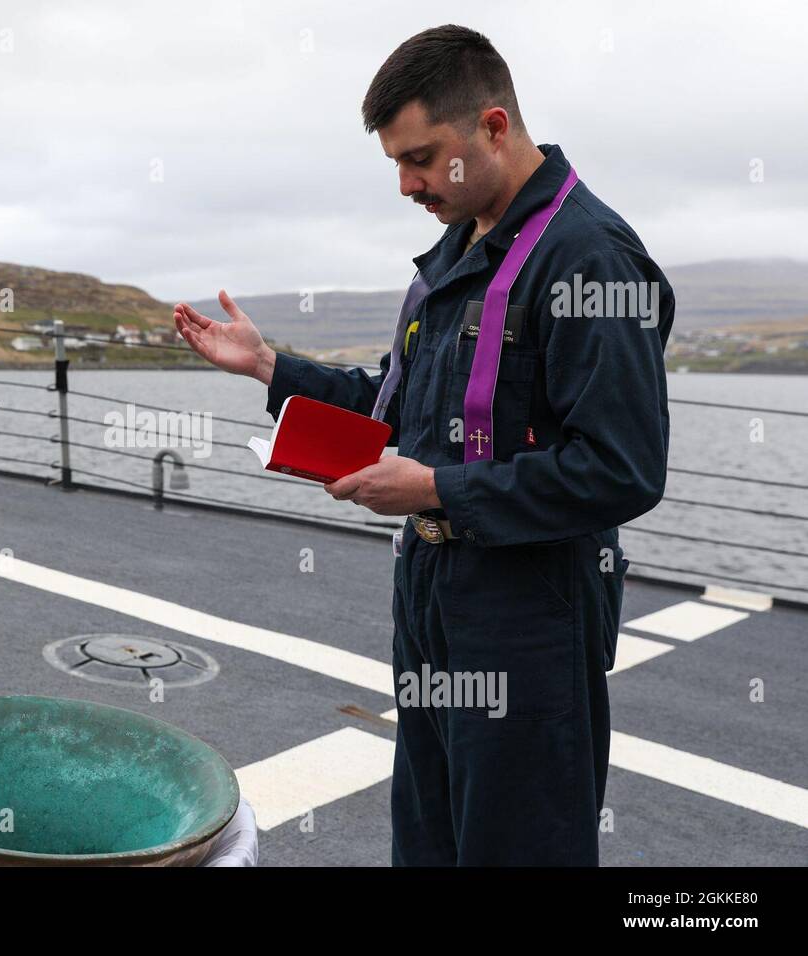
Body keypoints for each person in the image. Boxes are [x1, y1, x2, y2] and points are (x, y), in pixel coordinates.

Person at [174, 25, 673, 865]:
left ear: (493, 126)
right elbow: (398, 404)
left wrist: (439, 491)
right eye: (395, 164)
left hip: (530, 617)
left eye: (421, 158)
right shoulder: (456, 249)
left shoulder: (592, 258)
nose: (407, 184)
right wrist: (268, 366)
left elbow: (622, 469)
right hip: (433, 600)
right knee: (429, 844)